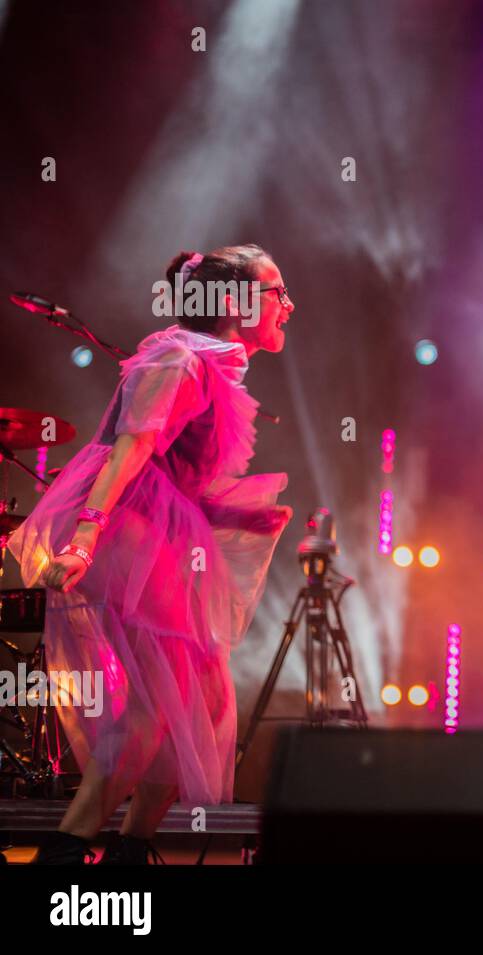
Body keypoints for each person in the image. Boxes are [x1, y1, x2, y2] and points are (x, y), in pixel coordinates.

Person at [8, 244, 295, 862]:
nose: (289, 306)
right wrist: (85, 539)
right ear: (234, 301)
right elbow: (130, 452)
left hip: (163, 537)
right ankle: (67, 853)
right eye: (278, 293)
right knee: (150, 713)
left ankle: (129, 855)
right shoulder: (178, 358)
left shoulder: (212, 366)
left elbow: (175, 472)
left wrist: (238, 512)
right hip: (129, 536)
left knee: (203, 706)